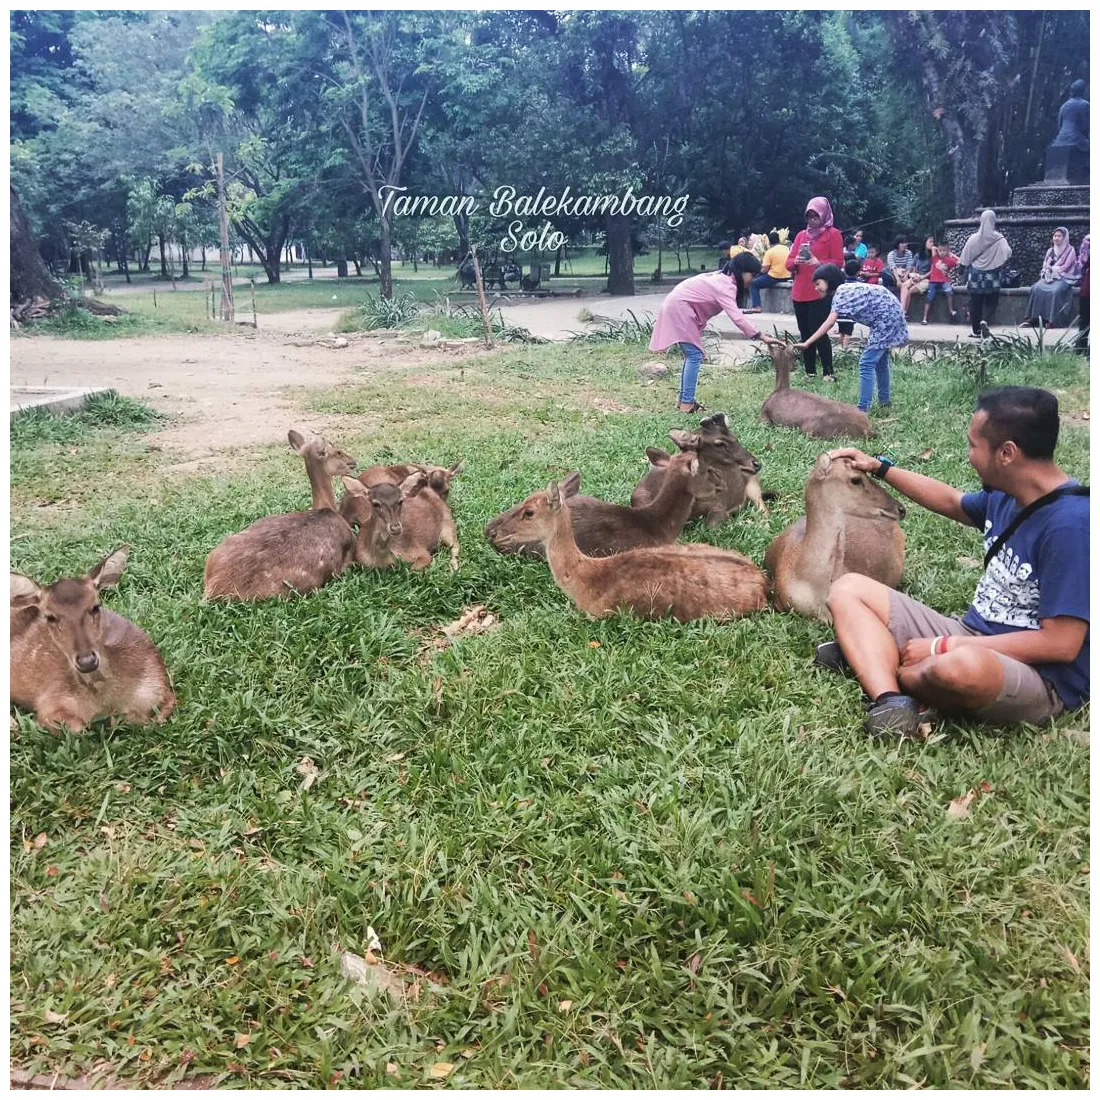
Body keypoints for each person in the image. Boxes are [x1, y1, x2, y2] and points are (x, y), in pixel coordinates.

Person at [816, 386, 1089, 738]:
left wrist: (943, 646)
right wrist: (880, 468)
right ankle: (891, 701)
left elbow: (1061, 645)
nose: (968, 455)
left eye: (973, 445)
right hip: (970, 635)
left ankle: (879, 659)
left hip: (1040, 677)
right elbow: (951, 501)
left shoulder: (1073, 525)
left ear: (1007, 453)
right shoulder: (1009, 495)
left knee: (961, 668)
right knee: (847, 588)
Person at [649, 261, 783, 414]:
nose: (752, 280)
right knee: (694, 355)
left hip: (678, 307)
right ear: (742, 271)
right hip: (680, 310)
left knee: (692, 355)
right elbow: (737, 318)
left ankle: (685, 401)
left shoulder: (722, 278)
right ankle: (686, 404)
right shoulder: (726, 286)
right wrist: (761, 336)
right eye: (752, 275)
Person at [795, 263, 908, 408]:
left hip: (886, 317)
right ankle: (884, 402)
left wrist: (807, 342)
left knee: (866, 363)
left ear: (829, 281)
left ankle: (863, 408)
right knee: (880, 361)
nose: (816, 288)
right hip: (889, 313)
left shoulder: (841, 294)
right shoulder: (845, 289)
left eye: (818, 284)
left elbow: (829, 323)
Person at [786, 196, 845, 381]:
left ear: (824, 216)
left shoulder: (833, 234)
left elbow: (838, 262)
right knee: (804, 333)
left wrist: (819, 263)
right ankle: (810, 372)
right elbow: (788, 262)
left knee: (818, 332)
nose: (812, 220)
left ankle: (828, 372)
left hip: (819, 292)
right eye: (809, 216)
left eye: (816, 217)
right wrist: (795, 262)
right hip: (800, 291)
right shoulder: (801, 236)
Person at [959, 209, 1013, 339]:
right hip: (993, 275)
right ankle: (985, 320)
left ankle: (976, 331)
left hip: (976, 274)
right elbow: (1008, 252)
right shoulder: (999, 238)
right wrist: (997, 260)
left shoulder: (974, 238)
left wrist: (961, 268)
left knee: (975, 302)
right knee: (991, 301)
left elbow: (965, 256)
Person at [1022, 227, 1081, 328]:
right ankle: (1033, 318)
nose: (1056, 238)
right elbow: (1045, 265)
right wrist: (1047, 271)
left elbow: (1065, 267)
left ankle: (1052, 320)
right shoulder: (1050, 251)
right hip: (1049, 276)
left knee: (1056, 291)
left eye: (1059, 236)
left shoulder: (1070, 250)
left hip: (1064, 277)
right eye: (1055, 236)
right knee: (1036, 288)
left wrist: (1052, 269)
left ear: (1064, 238)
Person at [749, 231, 791, 312]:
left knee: (754, 284)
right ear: (779, 239)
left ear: (769, 241)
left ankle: (757, 306)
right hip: (787, 276)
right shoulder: (786, 248)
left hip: (774, 277)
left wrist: (757, 273)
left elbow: (765, 270)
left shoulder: (769, 252)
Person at [922, 241, 960, 325]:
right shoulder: (935, 257)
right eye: (940, 250)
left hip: (944, 280)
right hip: (934, 280)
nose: (942, 252)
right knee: (929, 296)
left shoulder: (949, 260)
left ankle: (951, 310)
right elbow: (932, 248)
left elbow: (959, 261)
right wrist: (938, 249)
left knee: (949, 291)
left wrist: (950, 254)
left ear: (947, 251)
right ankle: (924, 317)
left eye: (944, 250)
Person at [837, 257, 863, 349]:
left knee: (842, 332)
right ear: (858, 272)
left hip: (840, 314)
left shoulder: (841, 283)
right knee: (848, 334)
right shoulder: (859, 284)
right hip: (850, 314)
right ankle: (845, 350)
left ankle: (840, 347)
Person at [1075, 233, 1090, 354]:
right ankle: (1081, 349)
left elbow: (1081, 265)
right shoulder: (1088, 241)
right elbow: (1081, 264)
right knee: (1085, 321)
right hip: (1088, 289)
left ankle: (1081, 349)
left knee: (1084, 321)